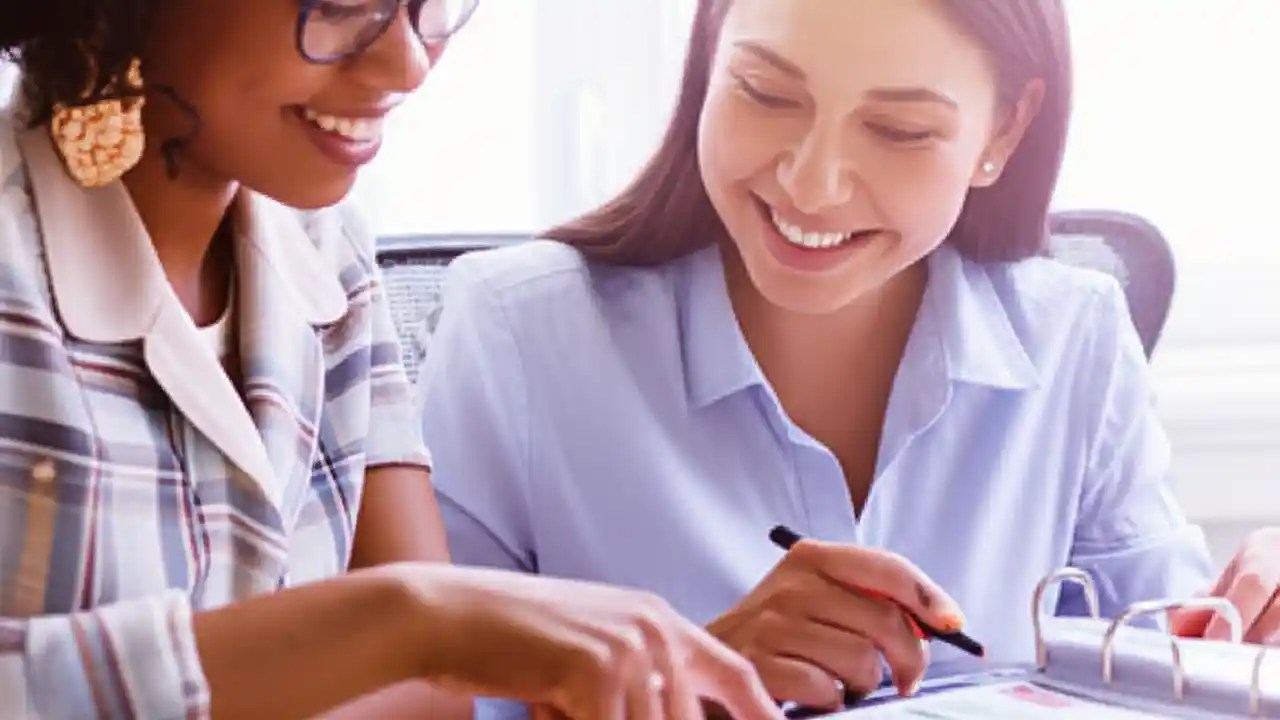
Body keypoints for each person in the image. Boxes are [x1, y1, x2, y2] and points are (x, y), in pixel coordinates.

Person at [419, 0, 1280, 714]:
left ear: (1004, 131)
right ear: (708, 67)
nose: (812, 183)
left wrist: (1248, 632)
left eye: (900, 130)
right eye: (764, 93)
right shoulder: (516, 336)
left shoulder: (1075, 337)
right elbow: (425, 702)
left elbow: (1168, 669)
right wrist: (691, 685)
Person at [0, 2, 784, 719]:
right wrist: (403, 620)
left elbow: (435, 701)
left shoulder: (327, 251)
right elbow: (425, 636)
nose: (407, 64)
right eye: (342, 5)